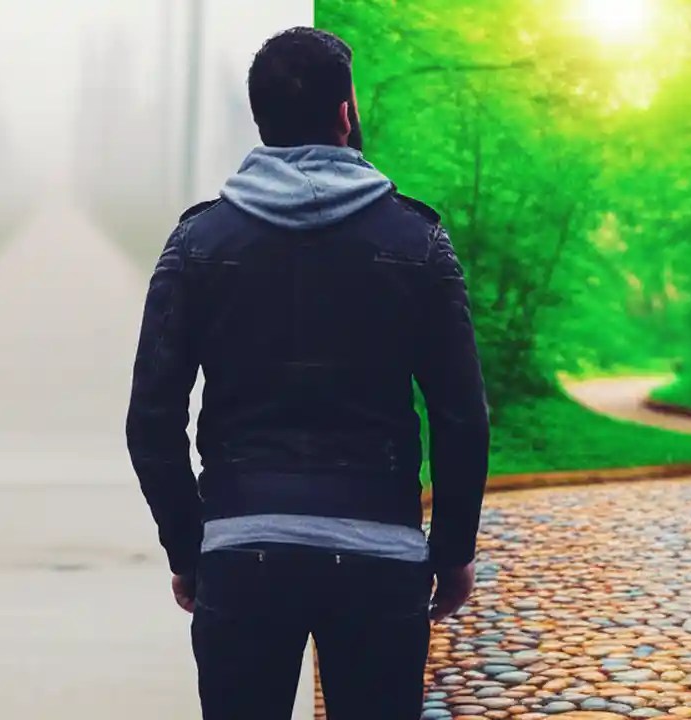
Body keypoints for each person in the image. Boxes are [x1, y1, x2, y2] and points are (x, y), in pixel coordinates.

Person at [125, 26, 490, 720]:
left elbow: (151, 420)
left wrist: (189, 547)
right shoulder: (419, 242)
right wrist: (452, 551)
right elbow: (461, 416)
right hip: (380, 555)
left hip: (242, 552)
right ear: (346, 113)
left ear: (260, 118)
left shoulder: (198, 242)